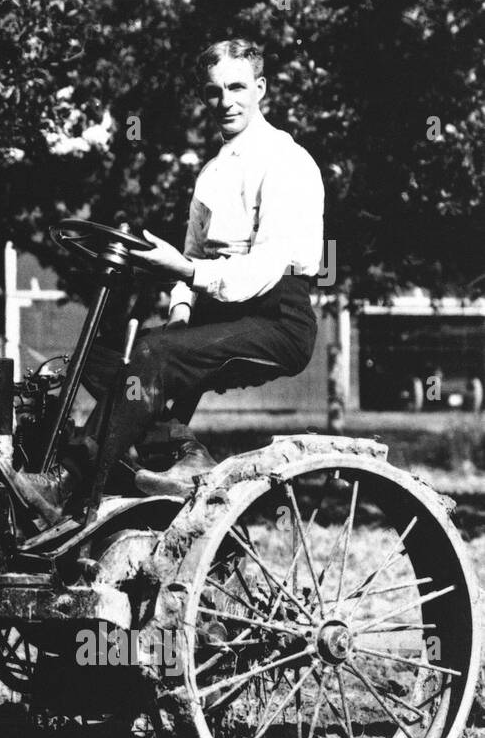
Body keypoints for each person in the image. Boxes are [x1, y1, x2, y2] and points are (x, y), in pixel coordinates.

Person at [19, 38, 324, 512]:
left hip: (277, 320)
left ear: (260, 88)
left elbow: (262, 273)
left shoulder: (287, 162)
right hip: (219, 314)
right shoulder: (211, 174)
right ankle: (181, 452)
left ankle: (65, 482)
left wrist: (182, 272)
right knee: (94, 358)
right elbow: (191, 258)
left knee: (153, 352)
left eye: (237, 87)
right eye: (213, 92)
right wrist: (182, 311)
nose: (225, 102)